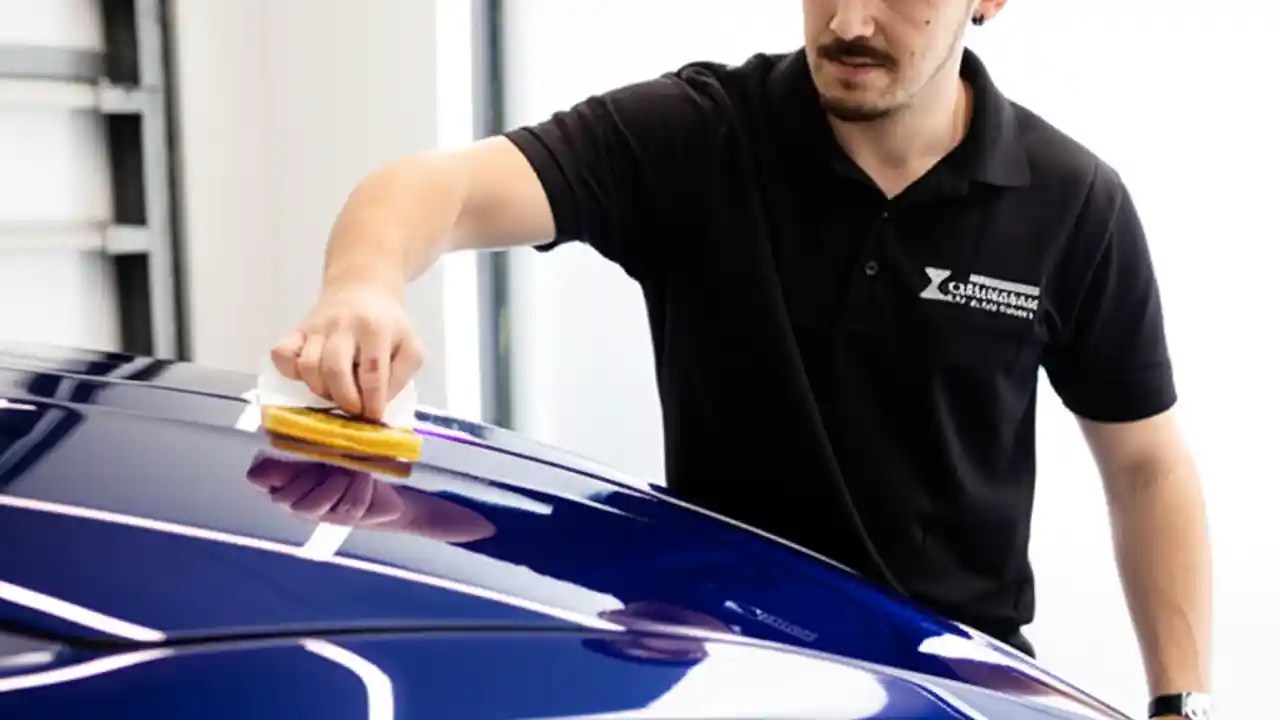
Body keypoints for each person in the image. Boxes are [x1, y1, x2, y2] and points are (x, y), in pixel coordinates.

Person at [269, 1, 1212, 717]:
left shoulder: (1073, 204)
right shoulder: (696, 135)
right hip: (730, 670)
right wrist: (363, 285)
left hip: (952, 681)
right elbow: (434, 188)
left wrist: (1182, 703)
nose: (848, 22)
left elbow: (1146, 469)